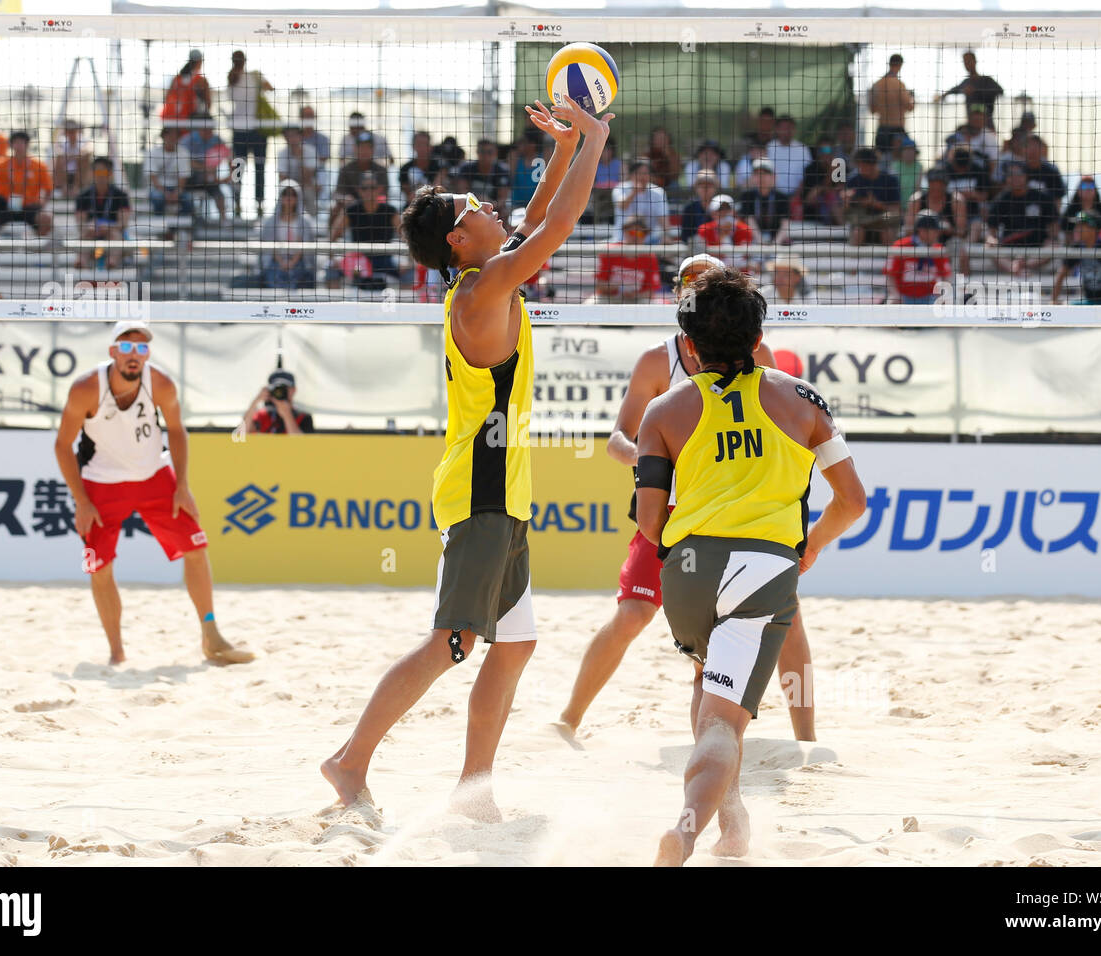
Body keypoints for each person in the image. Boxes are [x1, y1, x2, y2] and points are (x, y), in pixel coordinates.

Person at [321, 97, 612, 819]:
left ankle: (472, 789)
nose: (490, 207)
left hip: (503, 493)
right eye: (475, 204)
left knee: (514, 646)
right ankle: (349, 761)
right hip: (479, 494)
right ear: (457, 239)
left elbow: (537, 219)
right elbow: (559, 227)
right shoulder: (481, 294)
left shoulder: (486, 278)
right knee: (453, 643)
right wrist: (596, 142)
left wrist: (567, 145)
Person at [637, 267, 866, 866]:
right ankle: (685, 832)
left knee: (708, 684)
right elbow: (853, 501)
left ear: (689, 346)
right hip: (762, 569)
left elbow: (648, 525)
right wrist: (810, 546)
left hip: (685, 570)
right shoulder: (803, 400)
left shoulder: (663, 410)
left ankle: (731, 823)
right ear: (758, 333)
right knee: (722, 722)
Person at [557, 253, 817, 742]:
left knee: (790, 621)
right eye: (690, 284)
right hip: (672, 507)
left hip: (736, 506)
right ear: (679, 295)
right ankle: (569, 718)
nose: (697, 291)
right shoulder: (658, 360)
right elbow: (617, 438)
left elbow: (776, 429)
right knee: (633, 613)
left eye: (707, 284)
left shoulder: (757, 355)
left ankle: (806, 738)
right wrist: (654, 461)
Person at [53, 320, 255, 667]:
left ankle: (211, 635)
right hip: (102, 482)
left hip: (153, 476)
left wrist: (182, 486)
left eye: (142, 348)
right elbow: (62, 445)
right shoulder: (86, 388)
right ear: (112, 352)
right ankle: (117, 652)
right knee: (100, 568)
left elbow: (177, 430)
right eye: (127, 347)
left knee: (196, 548)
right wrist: (81, 501)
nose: (135, 355)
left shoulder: (159, 382)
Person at [328, 170, 401, 289]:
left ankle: (406, 307)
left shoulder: (390, 211)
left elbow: (407, 236)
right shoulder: (351, 210)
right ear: (358, 190)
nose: (369, 191)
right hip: (358, 259)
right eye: (364, 188)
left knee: (409, 271)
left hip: (384, 260)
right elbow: (333, 236)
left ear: (380, 189)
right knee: (330, 271)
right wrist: (334, 259)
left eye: (372, 187)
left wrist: (408, 262)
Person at [985, 162, 1057, 275]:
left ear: (1026, 176)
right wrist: (991, 240)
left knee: (1053, 246)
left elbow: (1054, 226)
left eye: (1018, 173)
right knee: (989, 246)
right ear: (1006, 178)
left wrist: (1052, 238)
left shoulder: (1042, 197)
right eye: (1010, 174)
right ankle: (1014, 268)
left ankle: (1023, 265)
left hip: (1037, 249)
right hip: (1009, 249)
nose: (1014, 177)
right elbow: (991, 231)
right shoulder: (1001, 200)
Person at [226, 50, 274, 217]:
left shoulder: (233, 78)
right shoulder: (251, 77)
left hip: (244, 130)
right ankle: (256, 203)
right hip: (253, 130)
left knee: (239, 168)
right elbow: (271, 88)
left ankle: (239, 203)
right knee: (255, 168)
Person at [0, 131, 52, 237]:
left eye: (22, 143)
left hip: (29, 206)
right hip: (5, 206)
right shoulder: (0, 163)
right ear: (11, 145)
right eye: (16, 142)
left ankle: (36, 251)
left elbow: (48, 188)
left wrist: (43, 203)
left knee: (46, 218)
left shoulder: (39, 166)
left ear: (27, 145)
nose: (19, 146)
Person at [585, 218, 661, 304]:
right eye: (632, 232)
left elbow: (650, 292)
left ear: (645, 236)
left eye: (640, 234)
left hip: (635, 300)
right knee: (590, 303)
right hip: (609, 298)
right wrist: (616, 287)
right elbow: (600, 286)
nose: (635, 237)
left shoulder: (650, 257)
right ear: (624, 232)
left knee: (653, 305)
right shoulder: (610, 251)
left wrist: (634, 295)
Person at [74, 156, 132, 269]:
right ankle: (81, 262)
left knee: (115, 235)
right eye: (96, 171)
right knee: (86, 234)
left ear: (110, 173)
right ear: (92, 173)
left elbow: (123, 223)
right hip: (92, 235)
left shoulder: (120, 195)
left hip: (113, 235)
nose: (100, 175)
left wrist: (108, 227)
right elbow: (80, 223)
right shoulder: (83, 195)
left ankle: (111, 263)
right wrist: (90, 227)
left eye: (103, 171)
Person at [884, 211, 951, 304]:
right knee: (892, 301)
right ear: (921, 230)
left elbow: (946, 276)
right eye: (934, 230)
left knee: (947, 302)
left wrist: (945, 296)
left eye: (937, 231)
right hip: (904, 296)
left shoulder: (938, 250)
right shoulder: (901, 246)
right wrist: (894, 294)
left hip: (930, 297)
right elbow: (890, 276)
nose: (937, 234)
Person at [259, 180, 315, 290]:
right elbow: (270, 246)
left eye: (293, 194)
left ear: (297, 197)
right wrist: (282, 262)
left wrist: (292, 263)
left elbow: (303, 245)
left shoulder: (305, 221)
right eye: (285, 194)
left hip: (299, 262)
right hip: (276, 262)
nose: (289, 198)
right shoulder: (270, 222)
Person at [845, 147, 901, 245]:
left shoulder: (891, 180)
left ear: (873, 164)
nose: (860, 169)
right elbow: (846, 211)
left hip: (884, 222)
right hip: (861, 222)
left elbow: (896, 209)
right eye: (858, 165)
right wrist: (846, 200)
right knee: (858, 232)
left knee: (887, 233)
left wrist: (877, 205)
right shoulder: (853, 180)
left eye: (863, 165)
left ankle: (889, 260)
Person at [936, 50, 1004, 127]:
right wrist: (942, 96)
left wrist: (976, 91)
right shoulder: (966, 82)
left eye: (969, 61)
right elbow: (954, 90)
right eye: (965, 62)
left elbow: (1000, 91)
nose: (966, 64)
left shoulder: (987, 80)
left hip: (987, 125)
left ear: (975, 61)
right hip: (972, 126)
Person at [612, 158, 669, 243]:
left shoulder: (658, 192)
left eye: (646, 173)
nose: (642, 176)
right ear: (631, 174)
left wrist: (667, 235)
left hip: (649, 240)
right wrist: (633, 193)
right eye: (639, 173)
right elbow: (622, 206)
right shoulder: (620, 188)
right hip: (623, 239)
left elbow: (663, 219)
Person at [183, 122, 231, 221]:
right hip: (189, 178)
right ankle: (193, 218)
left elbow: (230, 157)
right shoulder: (188, 140)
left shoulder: (216, 140)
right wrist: (205, 168)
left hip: (210, 179)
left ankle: (224, 220)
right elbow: (184, 161)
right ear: (200, 129)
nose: (208, 132)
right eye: (206, 130)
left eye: (210, 130)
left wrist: (230, 175)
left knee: (219, 194)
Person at [240, 369, 314, 434]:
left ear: (293, 390)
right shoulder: (261, 416)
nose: (279, 392)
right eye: (276, 388)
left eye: (284, 388)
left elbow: (303, 445)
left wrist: (287, 416)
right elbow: (240, 437)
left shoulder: (304, 417)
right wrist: (256, 401)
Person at [869, 53, 914, 160]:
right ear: (900, 65)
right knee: (898, 164)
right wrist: (912, 97)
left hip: (882, 129)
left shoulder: (877, 85)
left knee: (882, 162)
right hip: (897, 130)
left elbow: (872, 109)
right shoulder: (899, 85)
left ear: (889, 64)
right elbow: (910, 107)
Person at [737, 159, 791, 244]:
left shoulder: (782, 197)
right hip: (752, 241)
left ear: (773, 176)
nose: (761, 177)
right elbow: (749, 219)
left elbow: (785, 223)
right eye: (757, 173)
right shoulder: (747, 196)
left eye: (765, 173)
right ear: (752, 176)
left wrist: (776, 244)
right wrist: (761, 243)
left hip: (777, 241)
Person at [144, 125, 192, 215]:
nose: (172, 138)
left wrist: (176, 193)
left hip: (176, 188)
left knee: (189, 200)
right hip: (157, 189)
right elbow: (153, 178)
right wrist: (165, 193)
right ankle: (159, 225)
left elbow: (183, 177)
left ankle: (180, 226)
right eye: (169, 135)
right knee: (158, 198)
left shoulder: (183, 153)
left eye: (175, 136)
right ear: (163, 136)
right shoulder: (153, 153)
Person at [453, 138, 511, 212]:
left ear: (495, 153)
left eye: (489, 152)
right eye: (482, 152)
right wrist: (476, 203)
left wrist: (487, 205)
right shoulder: (466, 168)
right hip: (470, 208)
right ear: (477, 152)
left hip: (493, 209)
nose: (485, 156)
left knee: (504, 212)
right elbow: (461, 193)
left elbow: (502, 200)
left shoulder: (502, 170)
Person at [334, 131, 390, 206]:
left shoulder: (381, 170)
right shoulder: (346, 169)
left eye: (368, 147)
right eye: (361, 147)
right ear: (354, 148)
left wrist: (372, 200)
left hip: (375, 207)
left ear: (373, 149)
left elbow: (384, 195)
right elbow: (338, 193)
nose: (364, 151)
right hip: (350, 208)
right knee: (335, 209)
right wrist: (345, 198)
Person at [799, 136, 845, 226]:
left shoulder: (840, 166)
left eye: (828, 150)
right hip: (815, 210)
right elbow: (810, 197)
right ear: (817, 152)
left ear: (833, 152)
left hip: (837, 208)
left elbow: (842, 190)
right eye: (821, 150)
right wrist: (830, 172)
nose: (825, 154)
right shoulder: (811, 169)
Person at [276, 125, 318, 216]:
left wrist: (299, 157)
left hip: (307, 185)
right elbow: (282, 178)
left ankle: (312, 219)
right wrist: (293, 188)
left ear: (301, 136)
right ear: (285, 138)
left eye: (294, 135)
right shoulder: (282, 153)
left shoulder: (310, 151)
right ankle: (282, 217)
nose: (292, 139)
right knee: (285, 193)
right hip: (289, 187)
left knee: (308, 191)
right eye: (289, 136)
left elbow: (308, 177)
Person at [161, 49, 211, 123]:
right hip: (190, 120)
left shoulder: (176, 79)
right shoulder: (201, 80)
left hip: (171, 119)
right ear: (200, 61)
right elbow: (208, 103)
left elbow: (166, 98)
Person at [767, 115, 812, 197]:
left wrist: (797, 196)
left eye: (790, 127)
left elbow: (808, 175)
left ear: (794, 129)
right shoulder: (769, 147)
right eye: (783, 128)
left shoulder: (803, 149)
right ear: (777, 129)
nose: (787, 131)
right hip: (774, 195)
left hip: (798, 196)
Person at [1059, 176, 1101, 243]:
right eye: (1084, 186)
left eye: (1091, 186)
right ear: (1078, 191)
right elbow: (1064, 229)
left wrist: (1098, 241)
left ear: (1095, 191)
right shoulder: (1071, 210)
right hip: (1076, 247)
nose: (1088, 189)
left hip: (1099, 247)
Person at [399, 130, 446, 207]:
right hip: (413, 207)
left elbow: (438, 190)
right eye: (419, 144)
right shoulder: (405, 168)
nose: (422, 148)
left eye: (425, 144)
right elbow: (409, 197)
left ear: (431, 146)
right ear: (413, 146)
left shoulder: (440, 166)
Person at [51, 119, 92, 199]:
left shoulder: (84, 140)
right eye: (68, 131)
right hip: (64, 172)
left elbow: (89, 150)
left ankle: (76, 187)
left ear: (77, 131)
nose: (71, 133)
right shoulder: (62, 141)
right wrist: (72, 156)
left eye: (73, 131)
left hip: (80, 173)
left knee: (84, 159)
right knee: (58, 159)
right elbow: (58, 152)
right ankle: (64, 186)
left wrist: (73, 157)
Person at [679, 169, 720, 244]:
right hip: (695, 249)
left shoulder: (723, 207)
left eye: (709, 184)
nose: (705, 187)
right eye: (701, 184)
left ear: (716, 187)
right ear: (696, 187)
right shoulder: (689, 208)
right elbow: (685, 237)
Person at [645, 126, 682, 194]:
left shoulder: (674, 155)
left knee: (675, 185)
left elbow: (675, 175)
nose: (661, 140)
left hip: (669, 185)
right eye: (658, 138)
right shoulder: (648, 155)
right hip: (652, 183)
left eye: (663, 138)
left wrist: (667, 154)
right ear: (652, 140)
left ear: (668, 139)